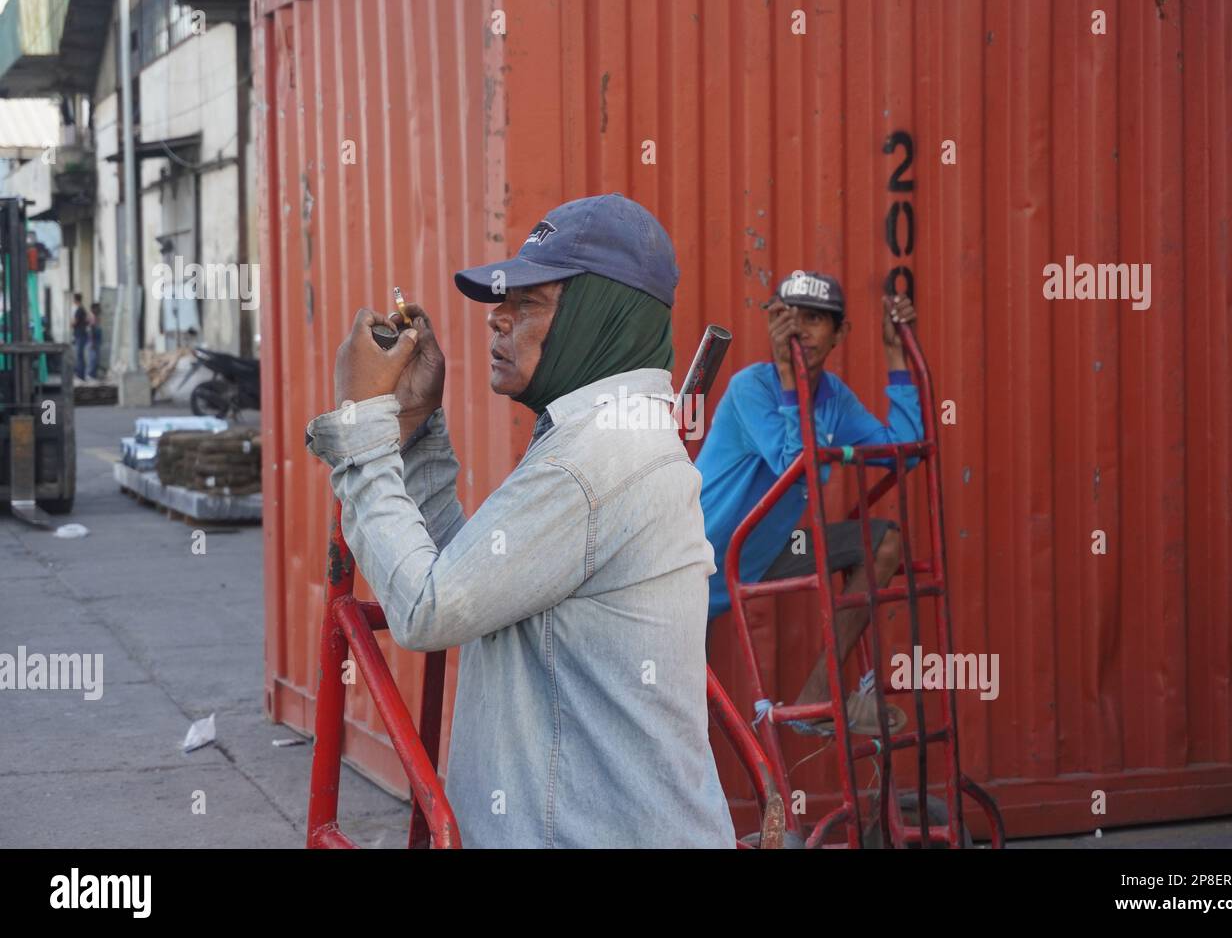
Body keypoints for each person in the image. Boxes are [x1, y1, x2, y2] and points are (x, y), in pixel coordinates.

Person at [305, 193, 735, 848]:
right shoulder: (605, 435)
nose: (497, 320)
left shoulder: (594, 461)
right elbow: (474, 581)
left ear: (599, 317)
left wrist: (364, 419)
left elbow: (428, 607)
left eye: (527, 303)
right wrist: (414, 430)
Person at [695, 270, 922, 737]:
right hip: (700, 564)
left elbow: (902, 452)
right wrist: (785, 377)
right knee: (678, 723)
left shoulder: (833, 397)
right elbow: (797, 466)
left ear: (839, 334)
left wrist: (897, 356)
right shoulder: (750, 389)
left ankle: (819, 694)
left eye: (817, 319)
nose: (802, 329)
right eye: (791, 318)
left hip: (770, 552)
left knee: (882, 542)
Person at [70, 294, 88, 379]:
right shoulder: (83, 309)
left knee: (79, 355)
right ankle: (81, 374)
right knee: (80, 355)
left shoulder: (79, 310)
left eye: (73, 299)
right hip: (82, 334)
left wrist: (71, 323)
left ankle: (80, 375)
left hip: (80, 334)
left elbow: (74, 322)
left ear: (76, 300)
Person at [88, 302, 103, 379]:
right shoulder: (92, 317)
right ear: (94, 309)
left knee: (96, 358)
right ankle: (91, 374)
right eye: (98, 308)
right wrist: (92, 342)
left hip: (96, 340)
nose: (100, 309)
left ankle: (93, 374)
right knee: (93, 358)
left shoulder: (96, 317)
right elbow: (91, 330)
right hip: (94, 340)